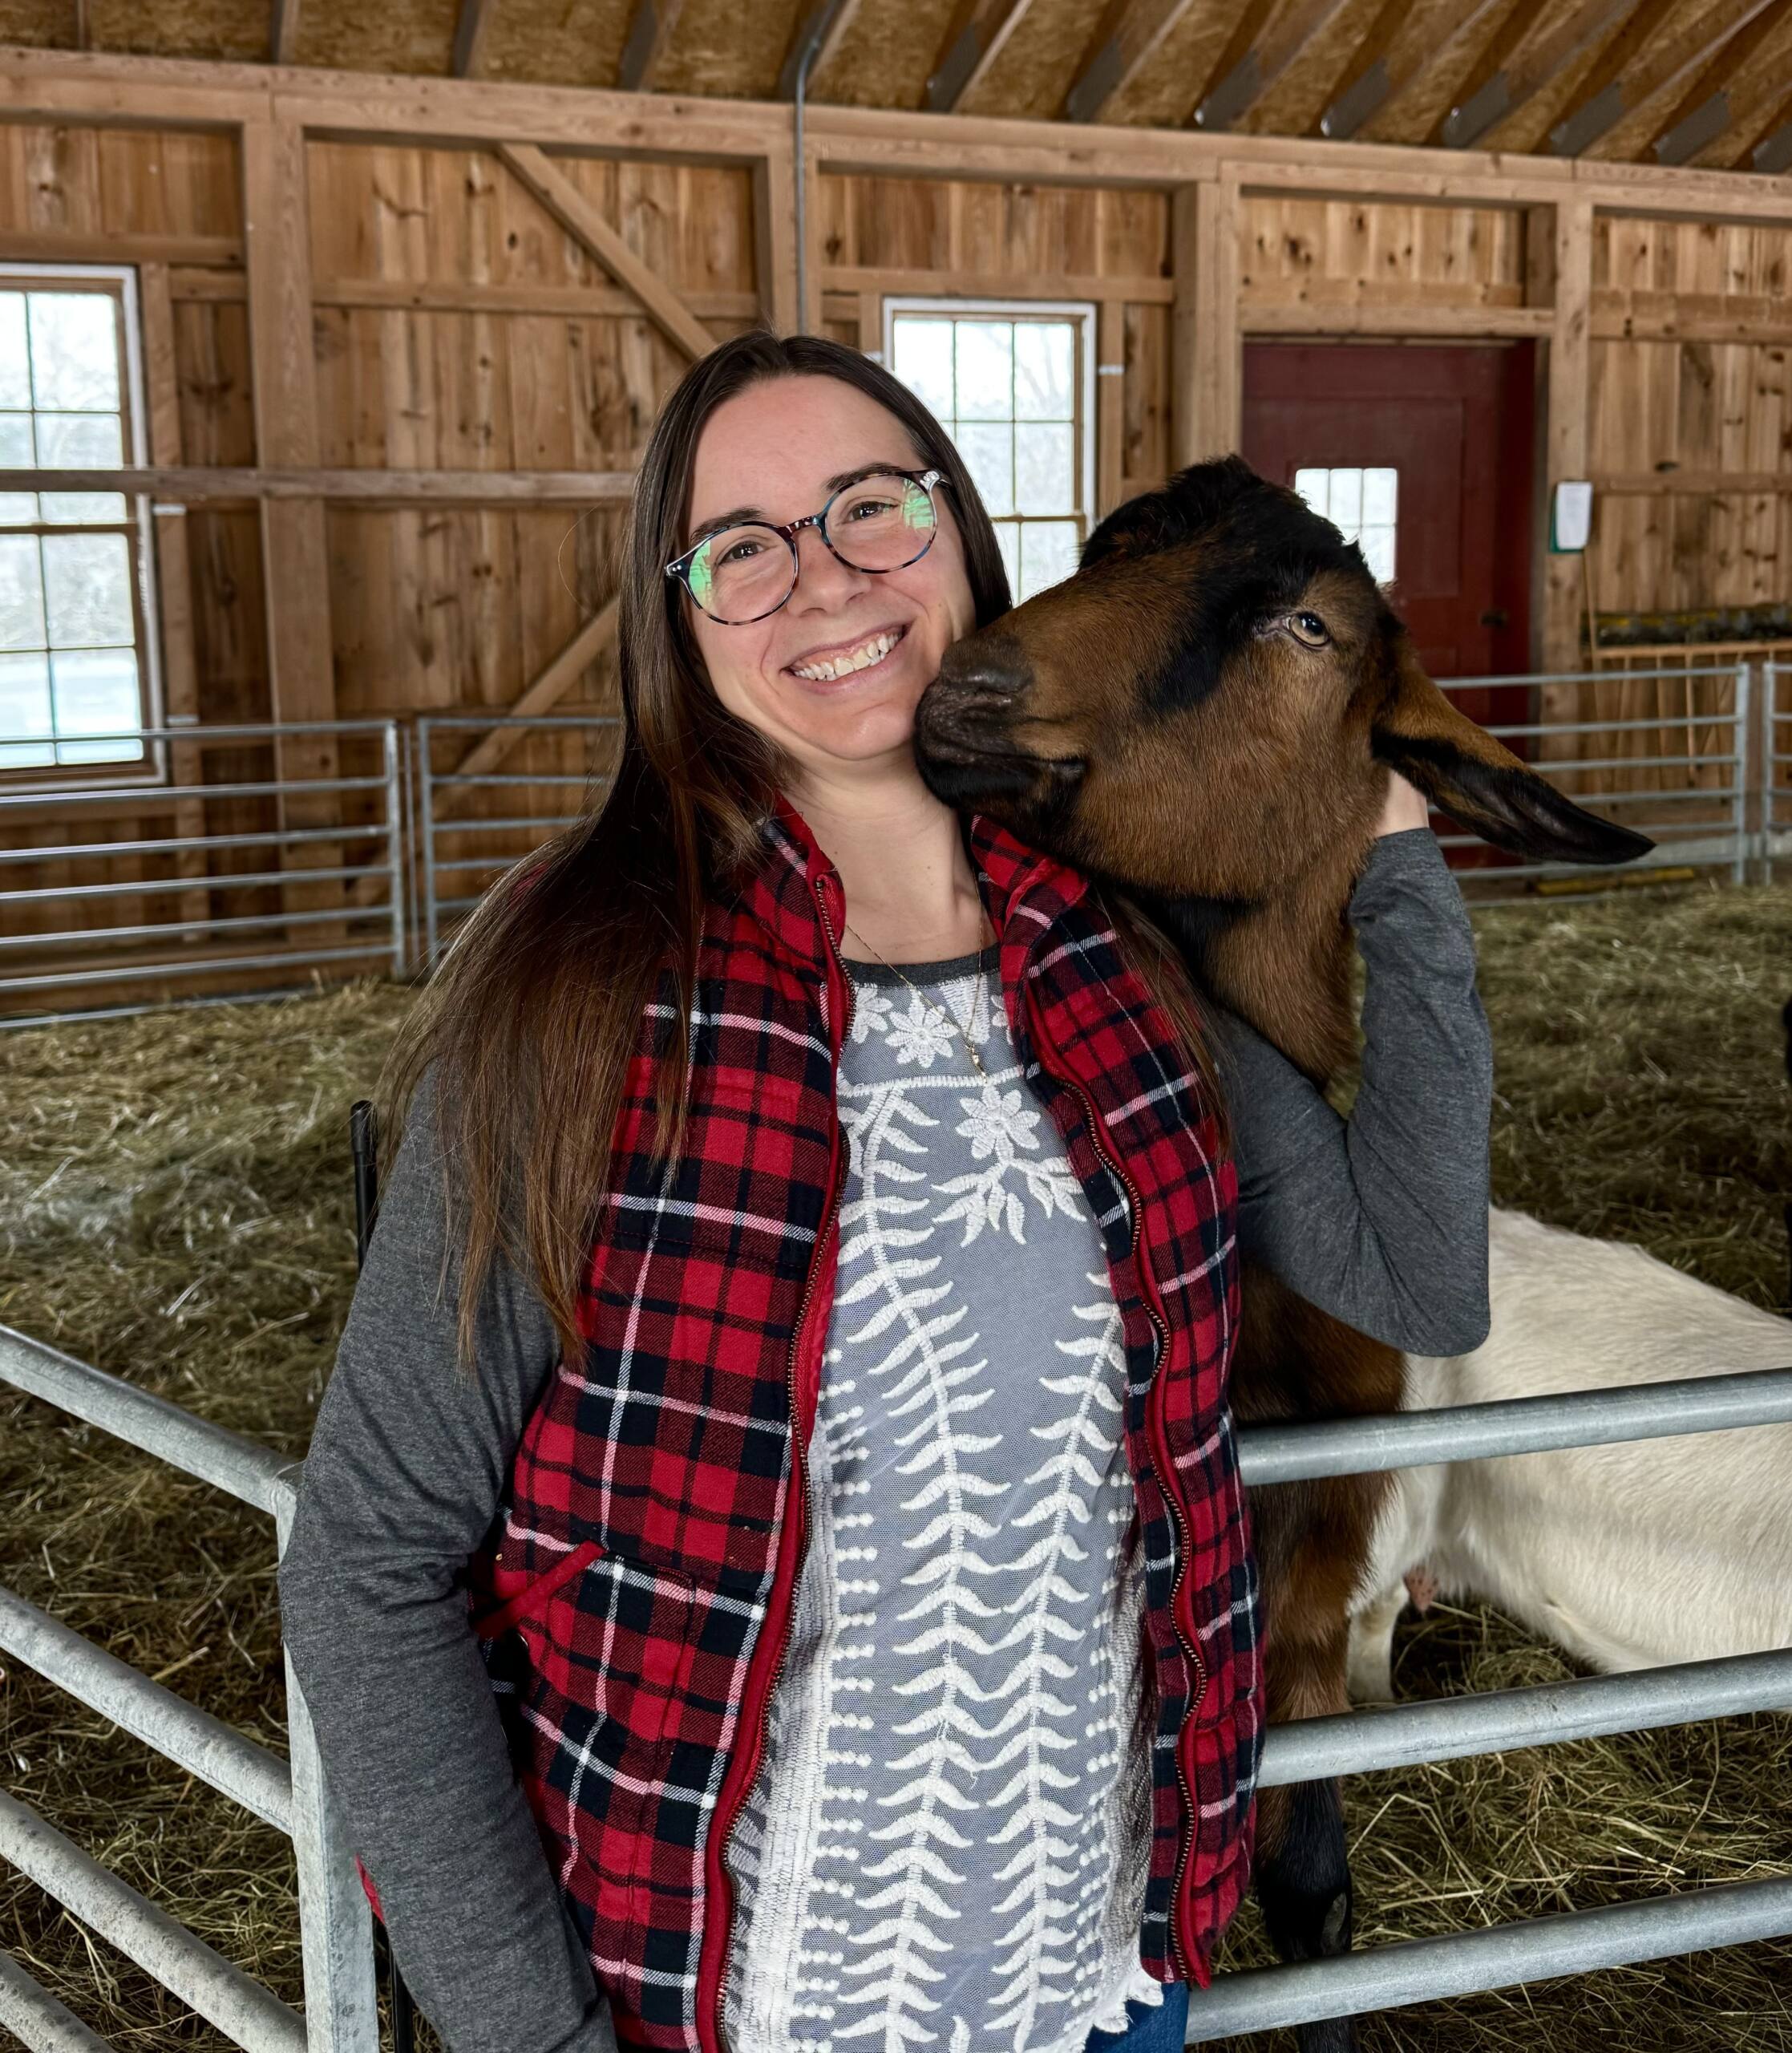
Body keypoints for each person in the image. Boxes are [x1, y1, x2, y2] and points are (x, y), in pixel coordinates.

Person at [277, 330, 1492, 2053]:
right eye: (744, 546)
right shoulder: (576, 995)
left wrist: (1386, 849)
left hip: (1101, 1976)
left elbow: (1421, 1282)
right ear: (681, 621)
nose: (826, 579)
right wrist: (531, 2035)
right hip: (726, 1999)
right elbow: (370, 1554)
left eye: (870, 508)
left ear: (959, 537)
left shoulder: (1123, 971)